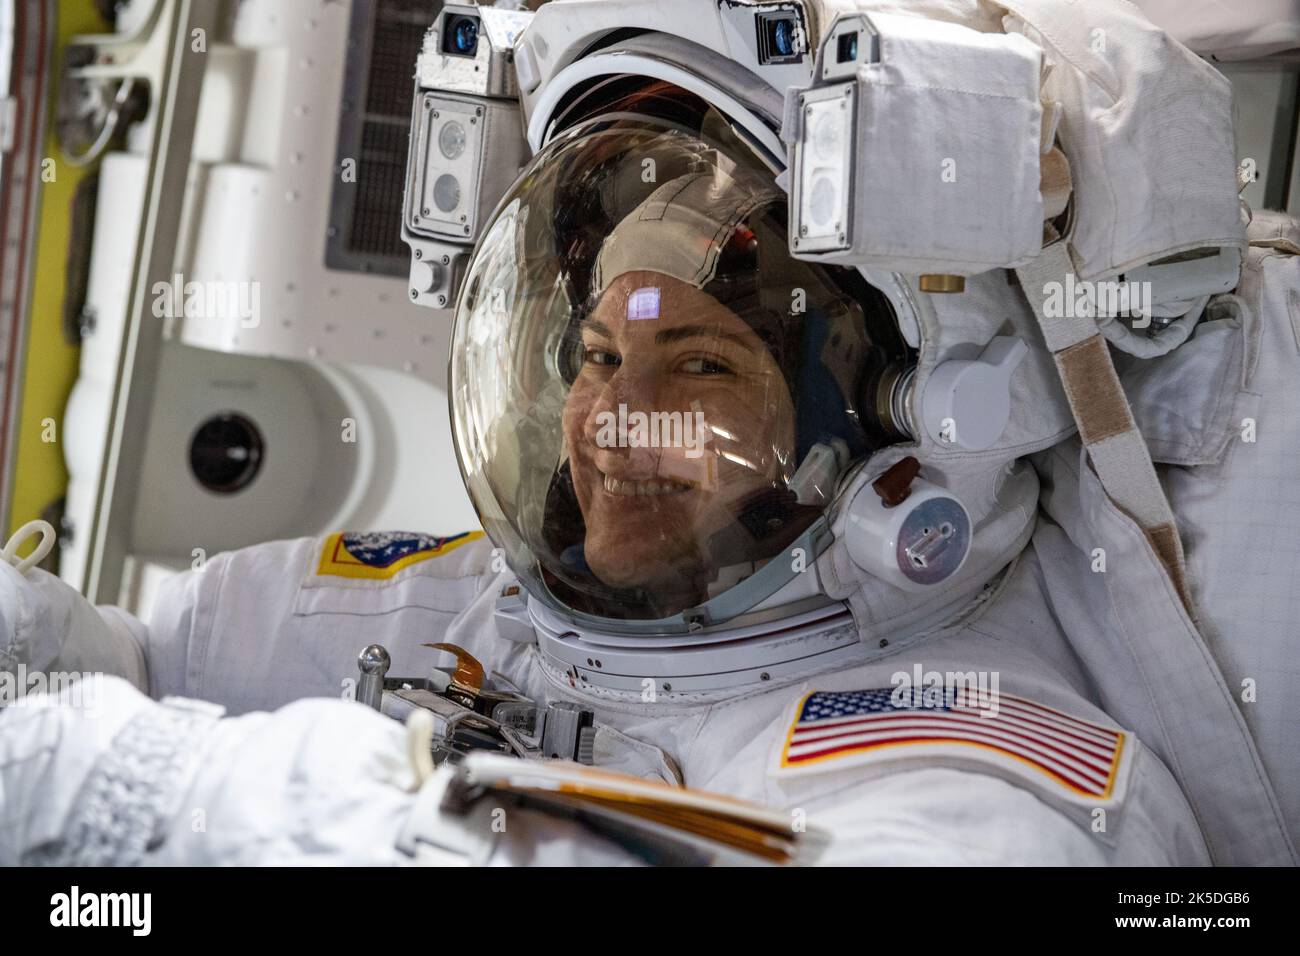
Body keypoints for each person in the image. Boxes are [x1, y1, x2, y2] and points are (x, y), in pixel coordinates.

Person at [1, 0, 1296, 866]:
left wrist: (168, 803)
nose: (615, 420)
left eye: (700, 364)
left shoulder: (992, 770)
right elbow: (147, 662)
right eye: (601, 355)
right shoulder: (480, 603)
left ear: (869, 437)